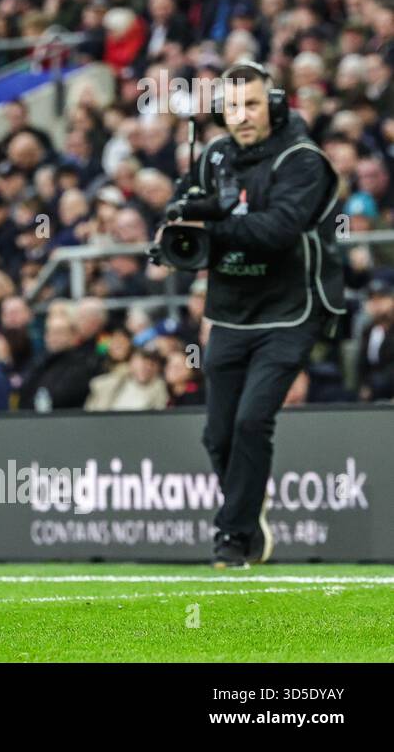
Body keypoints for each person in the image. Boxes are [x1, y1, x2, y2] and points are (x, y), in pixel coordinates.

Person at [166, 61, 343, 568]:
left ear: (276, 105)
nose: (241, 117)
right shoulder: (217, 153)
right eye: (233, 107)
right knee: (216, 434)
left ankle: (234, 536)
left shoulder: (303, 159)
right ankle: (247, 509)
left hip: (291, 309)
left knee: (250, 422)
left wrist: (210, 228)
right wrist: (180, 216)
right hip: (231, 309)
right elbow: (184, 202)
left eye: (253, 105)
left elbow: (277, 231)